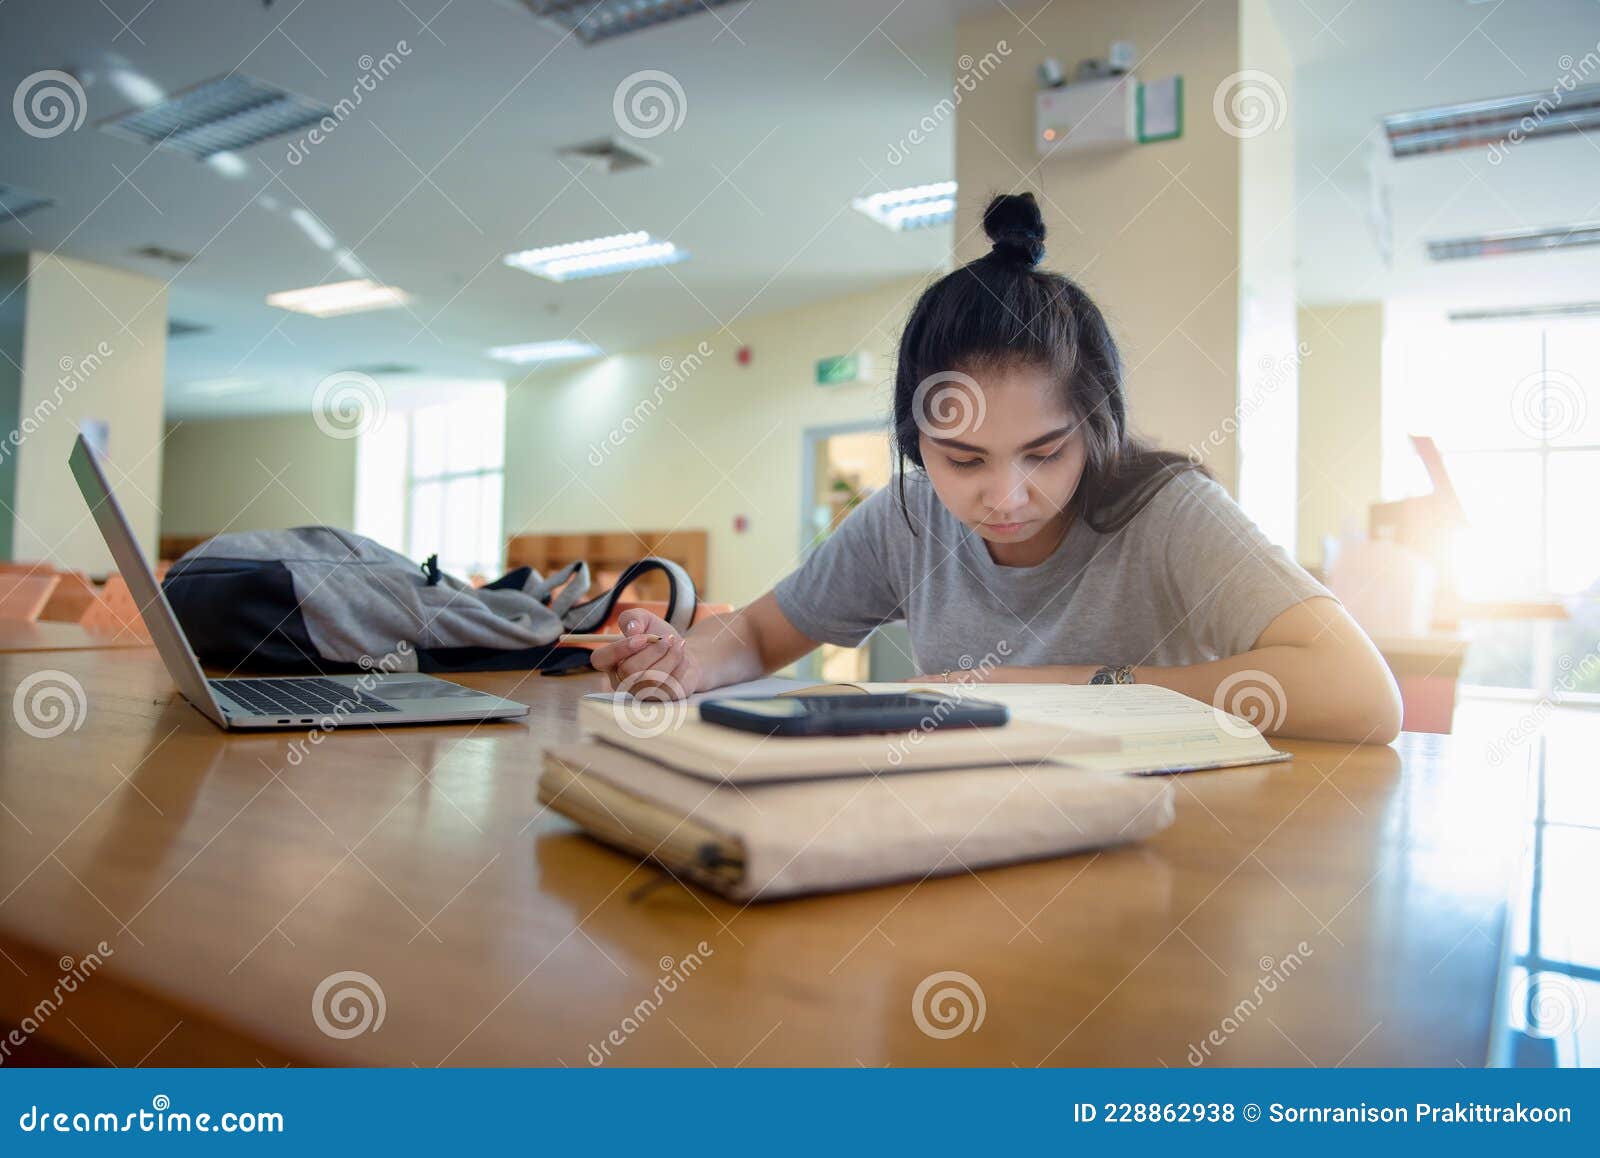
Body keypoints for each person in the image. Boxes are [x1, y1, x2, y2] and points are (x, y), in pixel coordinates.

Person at [592, 192, 1401, 744]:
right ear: (918, 442)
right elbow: (764, 631)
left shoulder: (1167, 511)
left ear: (1095, 426)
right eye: (963, 459)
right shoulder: (907, 517)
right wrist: (684, 659)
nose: (1006, 496)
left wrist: (1072, 683)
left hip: (1160, 848)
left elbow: (1364, 696)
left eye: (1045, 452)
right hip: (968, 832)